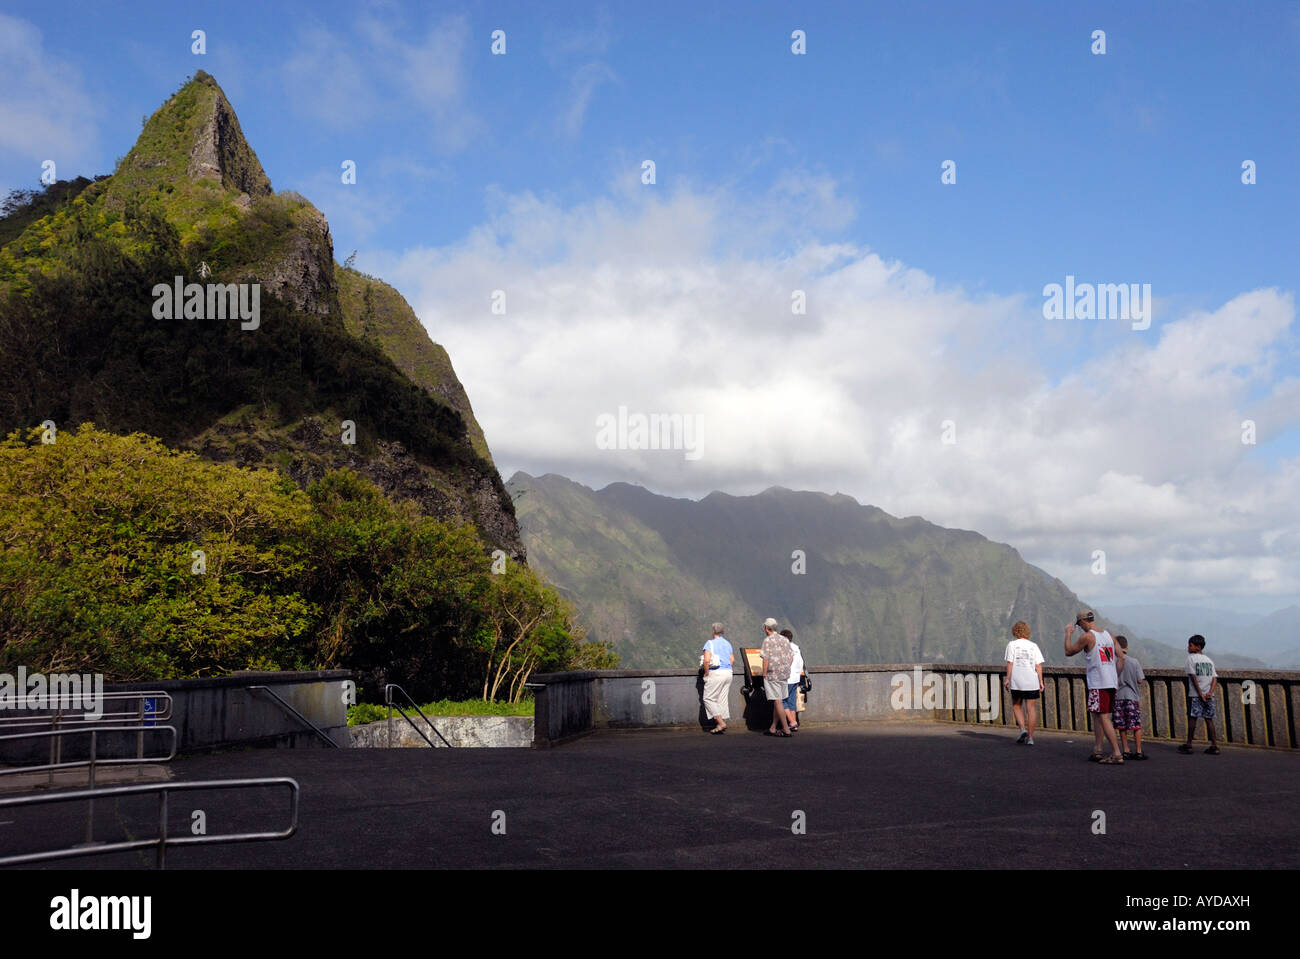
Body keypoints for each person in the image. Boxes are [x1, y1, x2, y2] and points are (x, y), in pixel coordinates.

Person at [1064, 610, 1124, 764]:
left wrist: (1068, 634)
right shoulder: (1108, 635)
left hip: (1099, 683)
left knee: (1103, 717)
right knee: (1098, 715)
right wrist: (1114, 676)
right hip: (1110, 682)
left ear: (1082, 622)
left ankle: (1117, 753)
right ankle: (1097, 750)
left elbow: (1068, 651)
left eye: (1079, 624)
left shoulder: (1088, 636)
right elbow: (1121, 657)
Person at [1002, 621, 1043, 745]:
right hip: (1032, 681)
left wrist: (1007, 678)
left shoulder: (1012, 645)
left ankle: (1022, 729)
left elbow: (1010, 663)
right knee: (1031, 709)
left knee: (1016, 705)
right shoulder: (1034, 646)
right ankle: (1030, 738)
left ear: (1015, 631)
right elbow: (1038, 665)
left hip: (1017, 681)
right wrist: (1040, 681)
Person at [1178, 635, 1219, 755]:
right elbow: (1214, 678)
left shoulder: (1190, 659)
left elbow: (1193, 678)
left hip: (1195, 695)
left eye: (1190, 645)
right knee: (1209, 719)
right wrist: (1210, 693)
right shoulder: (1208, 660)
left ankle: (1189, 744)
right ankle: (1214, 745)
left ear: (1197, 647)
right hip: (1208, 696)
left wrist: (1200, 693)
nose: (1188, 647)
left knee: (1192, 718)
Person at [1112, 636, 1147, 759]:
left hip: (1118, 697)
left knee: (1122, 726)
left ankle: (1126, 750)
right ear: (1127, 647)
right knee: (1136, 725)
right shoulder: (1134, 661)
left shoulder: (1114, 662)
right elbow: (1140, 680)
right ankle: (1138, 751)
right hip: (1132, 697)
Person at [760, 618, 793, 737]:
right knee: (778, 700)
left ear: (766, 628)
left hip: (772, 674)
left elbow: (766, 658)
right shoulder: (784, 639)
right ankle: (773, 727)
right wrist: (785, 667)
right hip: (784, 674)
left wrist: (764, 673)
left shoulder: (767, 641)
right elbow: (791, 657)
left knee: (777, 701)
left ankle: (786, 729)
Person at [700, 623, 734, 734]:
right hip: (728, 673)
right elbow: (732, 660)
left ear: (713, 631)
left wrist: (706, 673)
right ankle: (720, 725)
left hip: (716, 673)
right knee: (721, 699)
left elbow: (706, 660)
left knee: (708, 698)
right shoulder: (728, 643)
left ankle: (721, 722)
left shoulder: (710, 643)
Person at [780, 628, 804, 732]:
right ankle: (794, 723)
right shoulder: (796, 647)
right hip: (796, 678)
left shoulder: (784, 648)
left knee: (781, 701)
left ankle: (792, 722)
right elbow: (801, 662)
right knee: (792, 701)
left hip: (787, 678)